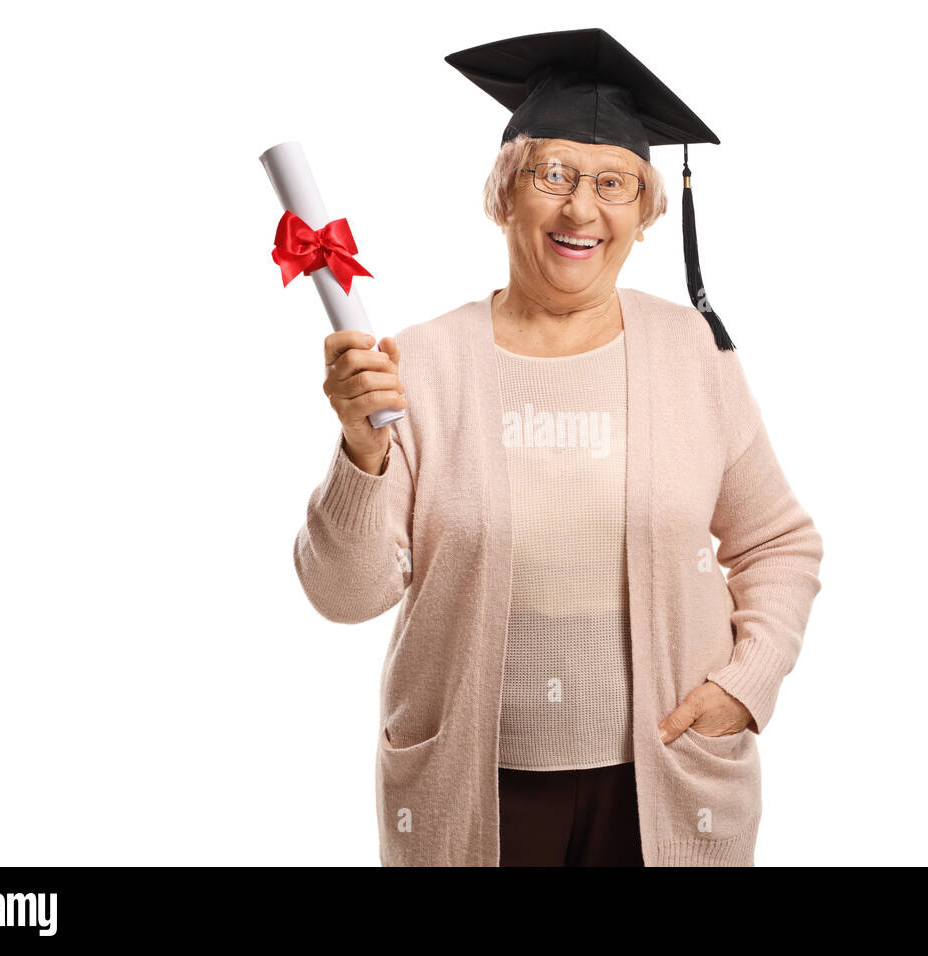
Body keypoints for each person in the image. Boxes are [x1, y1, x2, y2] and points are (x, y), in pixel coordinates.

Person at [293, 28, 824, 867]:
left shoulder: (691, 351)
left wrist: (744, 684)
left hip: (665, 775)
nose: (582, 208)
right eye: (554, 176)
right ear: (506, 195)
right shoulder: (421, 363)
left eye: (614, 182)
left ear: (645, 213)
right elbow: (346, 595)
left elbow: (777, 542)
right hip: (478, 789)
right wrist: (361, 452)